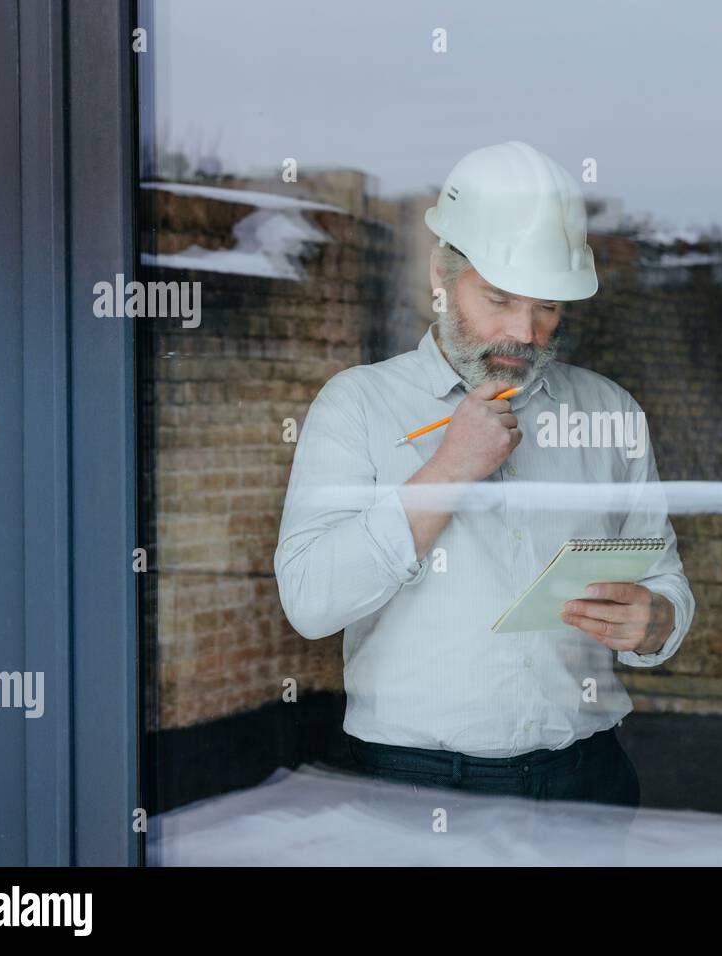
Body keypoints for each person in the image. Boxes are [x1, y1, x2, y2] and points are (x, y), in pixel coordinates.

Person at [273, 141, 695, 814]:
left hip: (590, 782)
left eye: (548, 306)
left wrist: (657, 622)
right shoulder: (356, 405)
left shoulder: (610, 410)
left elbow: (662, 576)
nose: (524, 332)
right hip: (419, 792)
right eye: (499, 298)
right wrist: (446, 471)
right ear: (443, 274)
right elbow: (310, 601)